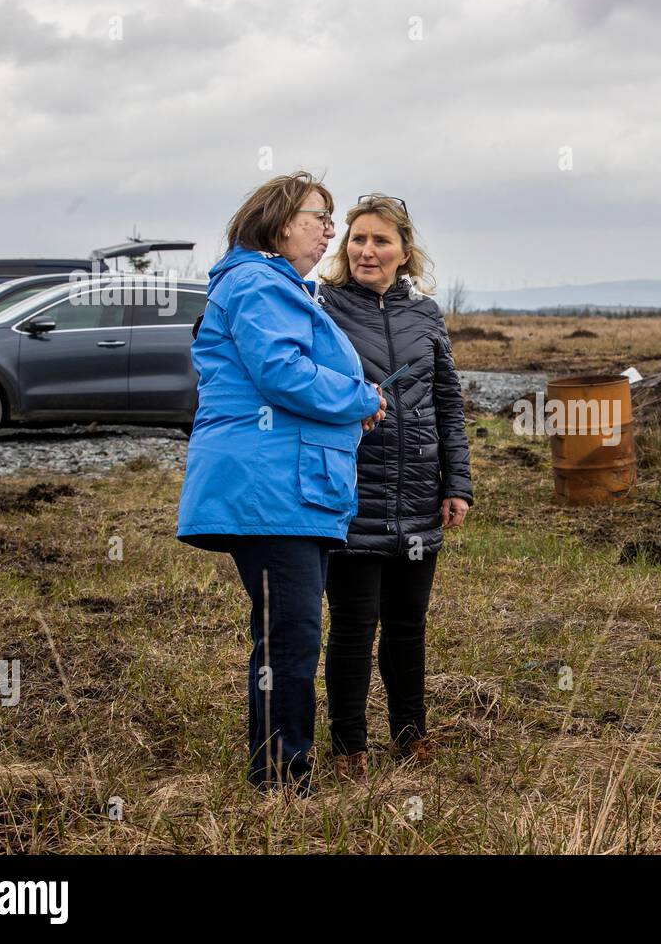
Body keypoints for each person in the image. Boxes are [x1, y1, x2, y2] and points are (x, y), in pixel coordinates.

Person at [177, 172, 386, 797]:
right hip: (269, 490)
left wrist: (352, 401)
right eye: (319, 217)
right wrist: (357, 397)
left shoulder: (273, 285)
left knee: (289, 635)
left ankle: (282, 768)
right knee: (290, 639)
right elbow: (282, 372)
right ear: (276, 222)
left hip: (287, 488)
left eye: (331, 219)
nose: (332, 231)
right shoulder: (259, 284)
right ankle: (281, 780)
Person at [318, 193, 473, 780]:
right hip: (351, 494)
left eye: (381, 240)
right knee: (354, 625)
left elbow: (448, 406)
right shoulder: (324, 308)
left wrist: (456, 482)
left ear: (405, 252)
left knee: (408, 624)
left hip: (417, 500)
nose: (367, 250)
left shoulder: (425, 315)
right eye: (357, 239)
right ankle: (349, 745)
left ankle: (411, 734)